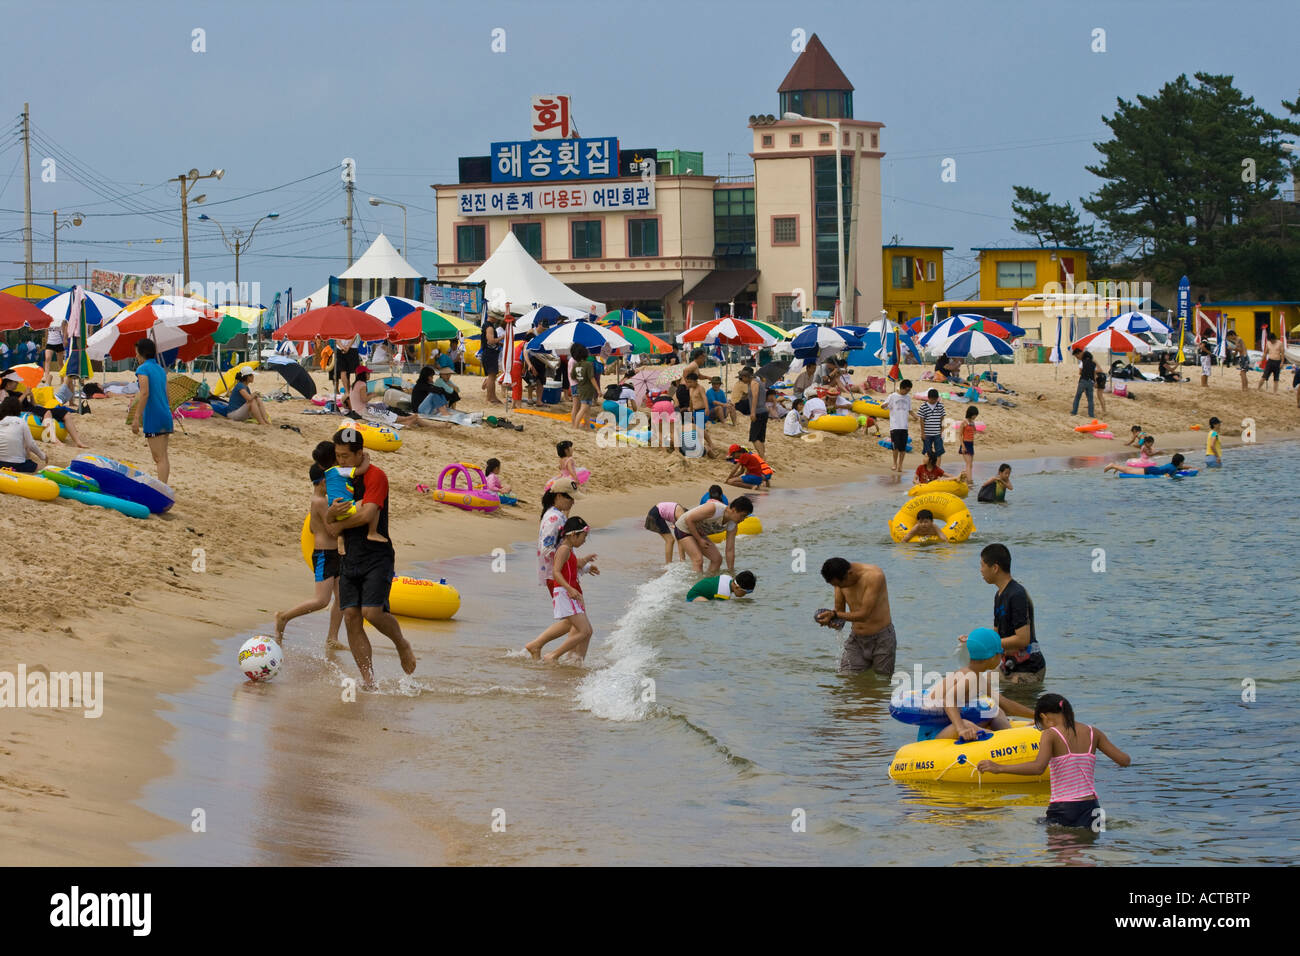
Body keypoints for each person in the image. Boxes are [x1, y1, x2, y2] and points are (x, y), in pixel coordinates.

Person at [324, 428, 416, 688]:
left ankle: (402, 644)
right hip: (349, 556)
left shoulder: (376, 476)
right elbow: (331, 528)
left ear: (359, 453)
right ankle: (369, 681)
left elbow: (367, 515)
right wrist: (332, 517)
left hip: (377, 554)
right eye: (337, 455)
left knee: (372, 612)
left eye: (345, 456)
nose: (340, 461)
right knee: (352, 617)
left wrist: (342, 522)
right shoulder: (336, 478)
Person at [977, 693, 1131, 829]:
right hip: (1092, 807)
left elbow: (1038, 768)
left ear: (1044, 717)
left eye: (1039, 723)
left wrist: (999, 768)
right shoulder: (1093, 732)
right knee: (1086, 856)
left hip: (1065, 808)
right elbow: (1124, 760)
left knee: (1058, 855)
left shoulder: (1051, 734)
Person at [274, 459, 345, 646]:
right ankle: (284, 617)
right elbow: (331, 530)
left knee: (342, 597)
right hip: (324, 554)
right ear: (323, 482)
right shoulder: (320, 501)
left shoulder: (324, 501)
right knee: (321, 600)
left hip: (334, 554)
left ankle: (332, 638)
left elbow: (315, 529)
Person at [923, 627, 1034, 740]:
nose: (1002, 656)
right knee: (966, 724)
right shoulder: (970, 676)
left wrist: (1036, 715)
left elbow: (1005, 704)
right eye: (1001, 653)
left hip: (944, 728)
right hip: (932, 735)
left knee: (997, 711)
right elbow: (949, 699)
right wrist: (961, 728)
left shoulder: (977, 677)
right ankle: (1008, 739)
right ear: (992, 657)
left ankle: (1010, 737)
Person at [525, 516, 599, 663]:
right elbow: (556, 572)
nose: (584, 541)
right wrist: (569, 589)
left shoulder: (569, 550)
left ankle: (571, 660)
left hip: (569, 592)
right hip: (565, 593)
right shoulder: (564, 549)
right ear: (573, 535)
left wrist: (586, 565)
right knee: (585, 631)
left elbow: (570, 567)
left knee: (577, 628)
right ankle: (553, 656)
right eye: (583, 537)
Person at [969, 542, 1045, 683]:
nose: (980, 570)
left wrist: (986, 643)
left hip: (1028, 670)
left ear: (995, 568)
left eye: (982, 565)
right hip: (1008, 667)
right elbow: (996, 636)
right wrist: (972, 640)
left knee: (1008, 702)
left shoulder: (1017, 594)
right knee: (974, 682)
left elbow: (1022, 639)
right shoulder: (999, 595)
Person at [815, 557, 897, 677]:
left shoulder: (874, 576)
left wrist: (834, 614)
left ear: (850, 574)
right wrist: (832, 621)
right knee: (846, 679)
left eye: (839, 585)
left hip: (882, 640)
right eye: (835, 585)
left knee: (882, 683)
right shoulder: (839, 582)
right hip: (856, 640)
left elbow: (864, 614)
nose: (839, 588)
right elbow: (839, 613)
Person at [673, 495, 754, 574]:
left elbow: (730, 550)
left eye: (745, 517)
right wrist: (699, 540)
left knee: (717, 559)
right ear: (734, 510)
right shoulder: (715, 509)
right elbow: (689, 519)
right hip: (683, 528)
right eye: (742, 516)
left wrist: (731, 571)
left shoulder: (733, 524)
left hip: (698, 533)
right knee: (698, 560)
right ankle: (694, 586)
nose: (743, 519)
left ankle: (706, 582)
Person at [130, 338, 172, 485]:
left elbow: (145, 393)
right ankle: (164, 486)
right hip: (165, 414)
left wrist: (136, 417)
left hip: (154, 416)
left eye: (136, 353)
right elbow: (167, 394)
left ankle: (162, 489)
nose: (136, 356)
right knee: (163, 456)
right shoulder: (160, 369)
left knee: (158, 457)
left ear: (142, 353)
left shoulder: (142, 369)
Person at [18, 388, 88, 448]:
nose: (16, 383)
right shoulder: (8, 394)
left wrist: (31, 396)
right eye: (14, 382)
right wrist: (24, 394)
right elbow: (14, 405)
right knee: (47, 413)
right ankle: (54, 439)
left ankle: (78, 441)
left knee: (65, 413)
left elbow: (34, 405)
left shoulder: (19, 392)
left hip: (35, 408)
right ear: (8, 384)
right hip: (27, 412)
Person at [0, 395, 46, 471]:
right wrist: (43, 456)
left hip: (0, 463)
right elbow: (31, 444)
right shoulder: (21, 422)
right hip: (17, 464)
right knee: (37, 467)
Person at [883, 379, 913, 473]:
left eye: (909, 390)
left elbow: (910, 410)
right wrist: (885, 405)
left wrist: (916, 417)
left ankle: (900, 465)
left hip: (904, 426)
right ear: (902, 388)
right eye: (907, 390)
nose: (908, 392)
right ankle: (894, 463)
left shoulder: (908, 397)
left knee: (902, 448)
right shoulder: (892, 396)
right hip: (895, 426)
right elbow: (883, 406)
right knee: (895, 447)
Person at [570, 343, 598, 429]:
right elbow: (592, 378)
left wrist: (581, 378)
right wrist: (598, 389)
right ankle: (575, 426)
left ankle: (588, 427)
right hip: (587, 389)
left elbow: (572, 376)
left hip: (580, 387)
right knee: (583, 408)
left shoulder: (576, 364)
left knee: (587, 409)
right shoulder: (588, 364)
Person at [742, 367, 768, 458]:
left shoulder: (754, 383)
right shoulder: (757, 381)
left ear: (747, 376)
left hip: (758, 412)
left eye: (743, 377)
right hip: (763, 411)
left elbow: (755, 397)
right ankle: (763, 456)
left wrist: (753, 412)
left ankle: (762, 458)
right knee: (760, 437)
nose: (742, 379)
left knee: (754, 437)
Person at [686, 570, 756, 602]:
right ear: (737, 587)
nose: (745, 595)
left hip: (697, 589)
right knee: (707, 604)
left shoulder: (728, 578)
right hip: (692, 597)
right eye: (747, 592)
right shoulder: (724, 594)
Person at [917, 388, 945, 463]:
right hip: (927, 434)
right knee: (927, 453)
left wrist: (942, 430)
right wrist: (923, 433)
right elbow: (921, 420)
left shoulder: (940, 406)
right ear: (928, 398)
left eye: (935, 399)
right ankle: (926, 468)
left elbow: (942, 418)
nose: (934, 401)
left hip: (937, 433)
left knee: (939, 452)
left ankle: (937, 469)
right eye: (932, 399)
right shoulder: (923, 406)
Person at [1103, 452, 1188, 476]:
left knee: (1131, 470)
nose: (1183, 463)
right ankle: (1113, 465)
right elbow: (1167, 476)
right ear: (1180, 462)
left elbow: (1181, 468)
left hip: (1153, 469)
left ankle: (1117, 467)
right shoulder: (1173, 469)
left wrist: (1190, 468)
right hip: (1150, 472)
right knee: (1130, 471)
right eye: (1183, 462)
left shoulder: (1172, 465)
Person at [480, 315, 503, 404]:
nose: (497, 319)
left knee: (492, 376)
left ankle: (492, 396)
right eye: (497, 317)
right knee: (491, 377)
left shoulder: (487, 325)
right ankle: (490, 397)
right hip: (489, 354)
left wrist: (499, 343)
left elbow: (488, 341)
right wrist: (501, 338)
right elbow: (490, 341)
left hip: (489, 354)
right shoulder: (489, 327)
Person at [1070, 347, 1097, 416]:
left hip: (1083, 381)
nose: (1077, 358)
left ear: (1080, 353)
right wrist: (1095, 382)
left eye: (1077, 356)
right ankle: (1091, 414)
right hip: (1091, 382)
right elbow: (1094, 374)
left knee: (1077, 397)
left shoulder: (1083, 362)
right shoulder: (1093, 363)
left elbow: (1080, 372)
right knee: (1090, 399)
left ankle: (1074, 412)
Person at [43, 311, 65, 386]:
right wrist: (45, 342)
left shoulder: (60, 320)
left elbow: (64, 331)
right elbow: (46, 332)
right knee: (47, 359)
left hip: (59, 342)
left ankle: (62, 379)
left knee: (60, 363)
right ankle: (46, 378)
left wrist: (64, 340)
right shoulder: (48, 320)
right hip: (50, 343)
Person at [958, 405, 979, 481]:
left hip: (971, 444)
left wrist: (980, 432)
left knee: (970, 464)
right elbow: (960, 435)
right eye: (974, 415)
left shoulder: (972, 422)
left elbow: (974, 431)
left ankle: (968, 479)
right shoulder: (964, 422)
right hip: (965, 443)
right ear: (970, 414)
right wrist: (963, 446)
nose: (975, 417)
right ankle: (969, 481)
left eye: (976, 415)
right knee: (968, 464)